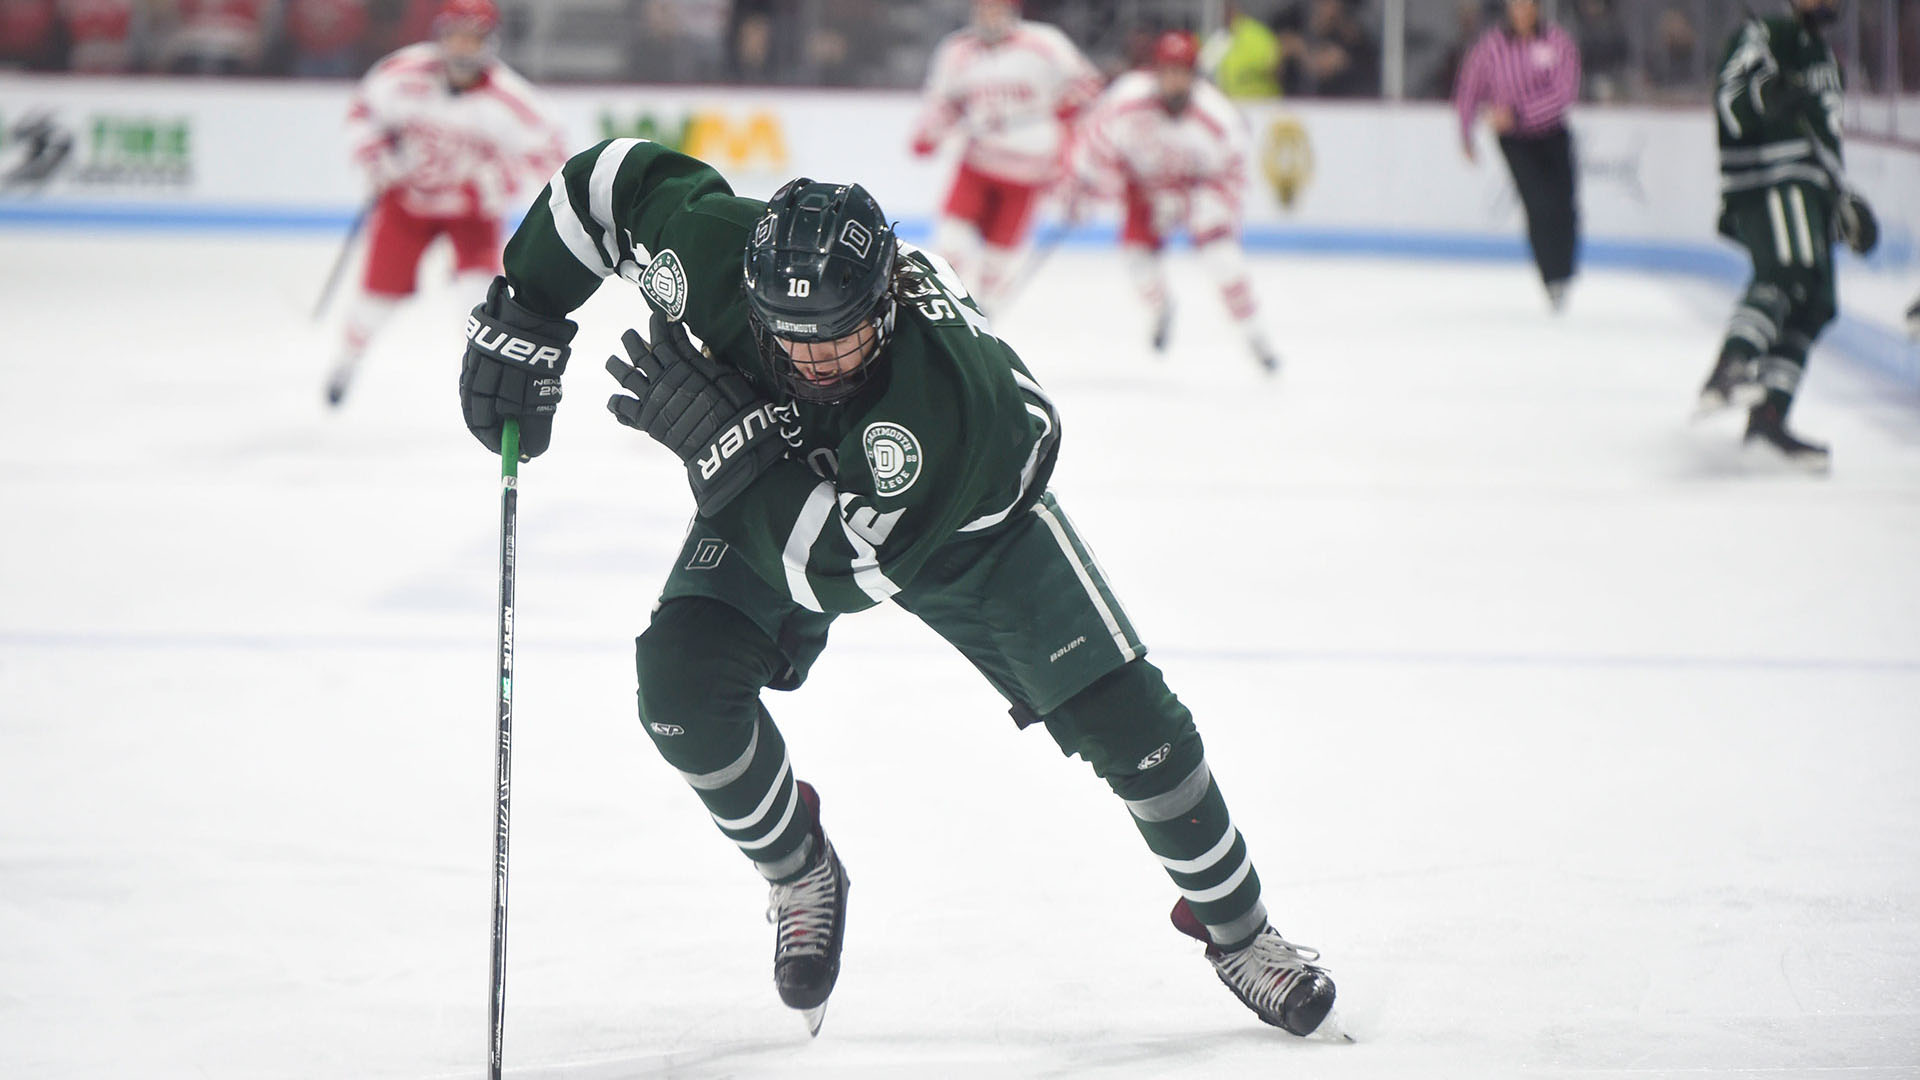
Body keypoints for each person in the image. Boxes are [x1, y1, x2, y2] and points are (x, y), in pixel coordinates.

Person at [454, 139, 1342, 1038]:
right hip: (783, 460)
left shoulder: (943, 404)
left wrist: (723, 449)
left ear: (885, 306)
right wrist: (528, 310)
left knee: (1136, 730)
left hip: (970, 521)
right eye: (789, 337)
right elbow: (605, 186)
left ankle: (1241, 932)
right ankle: (800, 869)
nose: (813, 362)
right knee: (680, 692)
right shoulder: (715, 250)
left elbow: (840, 573)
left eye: (839, 338)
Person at [325, 0, 564, 407]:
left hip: (472, 215)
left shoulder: (511, 101)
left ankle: (484, 381)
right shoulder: (402, 74)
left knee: (479, 302)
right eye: (455, 35)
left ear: (489, 42)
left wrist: (501, 181)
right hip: (407, 205)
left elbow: (552, 158)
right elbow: (363, 111)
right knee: (375, 300)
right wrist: (377, 157)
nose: (462, 47)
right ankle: (346, 361)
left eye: (472, 38)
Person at [1694, 0, 1878, 470]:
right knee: (1788, 271)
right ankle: (1731, 366)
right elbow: (1730, 96)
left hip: (1809, 187)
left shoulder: (1826, 57)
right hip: (1771, 178)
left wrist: (1841, 200)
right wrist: (1765, 100)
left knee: (1816, 301)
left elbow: (1824, 138)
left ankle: (1769, 418)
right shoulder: (1766, 35)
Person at [1073, 30, 1278, 372]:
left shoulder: (1218, 118)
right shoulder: (1127, 101)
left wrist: (1208, 209)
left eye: (1181, 72)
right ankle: (1160, 308)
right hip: (1143, 187)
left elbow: (1234, 174)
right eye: (1167, 71)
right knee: (1136, 258)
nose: (1173, 80)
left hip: (1197, 191)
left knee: (1224, 261)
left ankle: (1255, 335)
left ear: (1194, 75)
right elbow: (1095, 143)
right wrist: (1092, 186)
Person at [909, 0, 1101, 312]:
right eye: (984, 8)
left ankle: (982, 312)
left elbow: (1088, 83)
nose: (990, 15)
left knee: (1000, 255)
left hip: (1029, 172)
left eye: (997, 8)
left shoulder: (1044, 43)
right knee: (950, 240)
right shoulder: (957, 50)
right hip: (977, 163)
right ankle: (943, 304)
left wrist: (1066, 105)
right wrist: (929, 132)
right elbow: (944, 101)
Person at [1453, 0, 1581, 311]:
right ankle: (1550, 276)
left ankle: (1564, 270)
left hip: (1552, 134)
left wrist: (1520, 113)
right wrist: (1465, 131)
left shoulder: (1556, 42)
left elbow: (1565, 92)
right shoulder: (1491, 47)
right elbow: (1470, 87)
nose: (1521, 11)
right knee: (1538, 204)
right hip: (1515, 141)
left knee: (1562, 205)